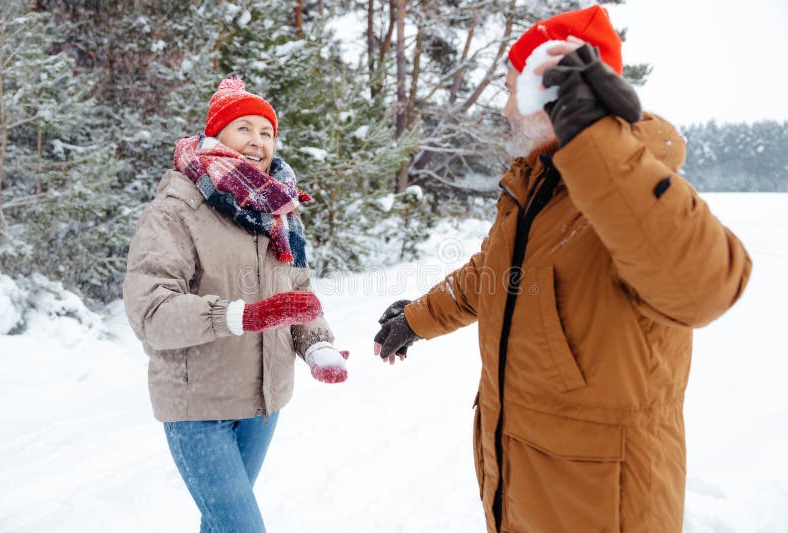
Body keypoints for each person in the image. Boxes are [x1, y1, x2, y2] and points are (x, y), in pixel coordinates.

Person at [373, 5, 751, 532]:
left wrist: (595, 142)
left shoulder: (628, 195)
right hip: (521, 484)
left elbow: (705, 288)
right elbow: (490, 274)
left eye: (512, 90)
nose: (505, 108)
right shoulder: (535, 189)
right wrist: (416, 318)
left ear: (550, 95)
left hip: (601, 504)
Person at [123, 77, 348, 532]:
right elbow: (150, 310)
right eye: (243, 128)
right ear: (215, 135)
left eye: (266, 132)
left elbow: (296, 287)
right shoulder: (177, 208)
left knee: (221, 526)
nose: (257, 141)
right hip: (198, 404)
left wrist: (316, 344)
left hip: (264, 402)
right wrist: (238, 315)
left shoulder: (278, 208)